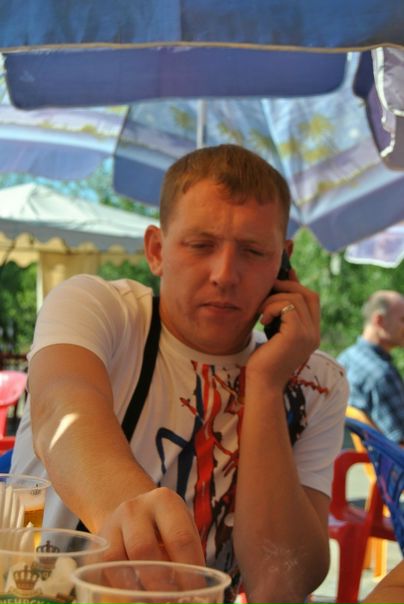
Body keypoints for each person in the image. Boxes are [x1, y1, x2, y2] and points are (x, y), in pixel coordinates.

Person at [12, 144, 348, 603]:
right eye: (201, 245)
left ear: (283, 262)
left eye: (253, 251)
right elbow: (62, 408)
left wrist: (266, 385)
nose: (225, 274)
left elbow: (279, 587)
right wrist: (132, 513)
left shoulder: (315, 382)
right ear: (156, 250)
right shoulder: (99, 309)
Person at [338, 290, 404, 444]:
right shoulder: (381, 374)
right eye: (403, 319)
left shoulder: (345, 358)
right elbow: (400, 444)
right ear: (379, 321)